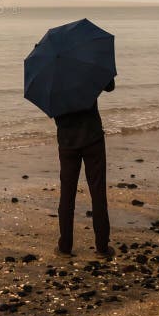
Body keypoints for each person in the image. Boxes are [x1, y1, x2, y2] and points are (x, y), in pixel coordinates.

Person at [54, 78, 115, 258]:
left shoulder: (50, 75)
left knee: (67, 194)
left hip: (67, 140)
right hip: (92, 136)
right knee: (98, 192)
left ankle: (65, 246)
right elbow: (110, 86)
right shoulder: (85, 62)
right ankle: (102, 247)